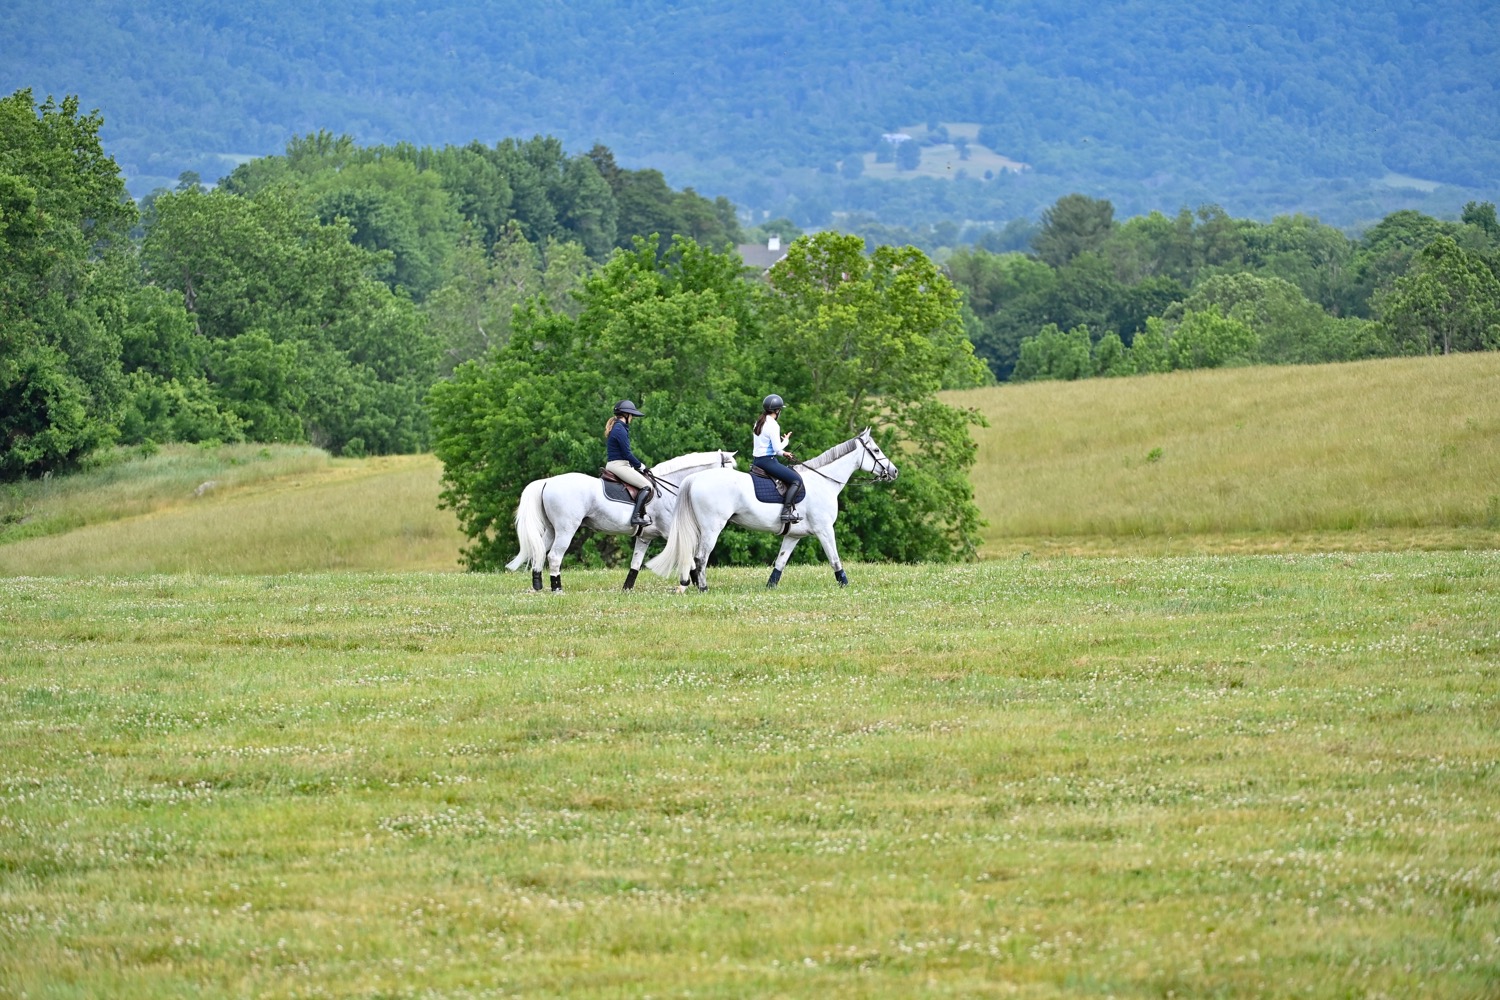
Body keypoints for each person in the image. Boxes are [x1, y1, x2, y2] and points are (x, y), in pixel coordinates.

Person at [751, 393, 803, 523]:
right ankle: (786, 512)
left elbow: (766, 447)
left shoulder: (759, 422)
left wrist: (784, 453)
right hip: (768, 462)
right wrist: (785, 441)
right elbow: (776, 449)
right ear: (777, 410)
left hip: (758, 461)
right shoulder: (773, 425)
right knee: (796, 480)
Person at [604, 400, 654, 526]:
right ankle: (636, 517)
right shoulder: (620, 429)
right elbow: (627, 454)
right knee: (647, 486)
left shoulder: (617, 427)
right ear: (626, 415)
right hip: (619, 465)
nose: (632, 418)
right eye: (631, 416)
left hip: (618, 464)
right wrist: (641, 466)